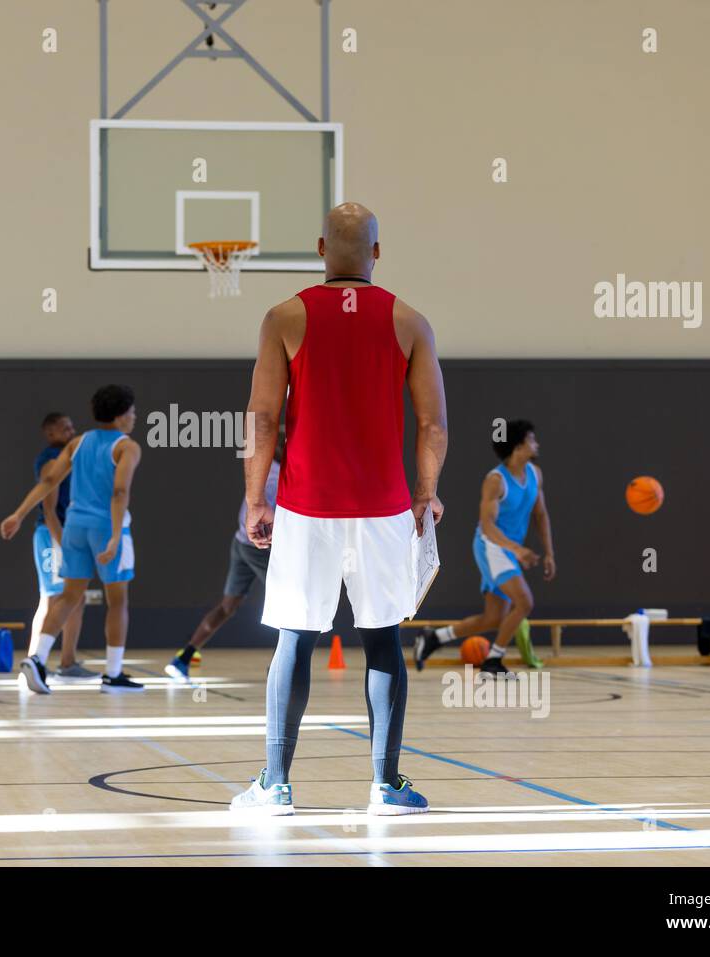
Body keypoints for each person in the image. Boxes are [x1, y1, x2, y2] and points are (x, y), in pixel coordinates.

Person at [231, 202, 447, 816]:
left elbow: (262, 417)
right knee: (383, 641)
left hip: (306, 505)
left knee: (294, 640)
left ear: (321, 247)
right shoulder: (410, 321)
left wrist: (255, 498)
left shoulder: (283, 317)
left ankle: (275, 787)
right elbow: (433, 425)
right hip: (383, 509)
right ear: (377, 253)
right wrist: (426, 494)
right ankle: (386, 786)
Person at [0, 385, 143, 695]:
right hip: (106, 526)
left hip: (75, 526)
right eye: (132, 412)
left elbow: (49, 480)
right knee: (117, 600)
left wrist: (18, 514)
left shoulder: (79, 442)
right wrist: (117, 535)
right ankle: (113, 675)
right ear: (120, 416)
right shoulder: (126, 447)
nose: (134, 417)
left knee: (68, 595)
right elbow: (120, 493)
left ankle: (37, 659)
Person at [412, 420, 555, 675]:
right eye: (531, 439)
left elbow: (541, 514)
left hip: (509, 549)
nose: (537, 444)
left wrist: (549, 553)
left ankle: (434, 637)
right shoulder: (496, 481)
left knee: (493, 618)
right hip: (491, 546)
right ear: (518, 446)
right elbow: (488, 528)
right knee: (524, 602)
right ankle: (493, 661)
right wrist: (518, 550)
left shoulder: (535, 474)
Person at [166, 432, 285, 683]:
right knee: (287, 607)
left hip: (240, 542)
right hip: (258, 547)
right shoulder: (276, 479)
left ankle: (183, 658)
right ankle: (279, 670)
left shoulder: (260, 470)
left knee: (227, 607)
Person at [25, 412, 93, 682]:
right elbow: (48, 506)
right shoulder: (51, 461)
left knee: (77, 599)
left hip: (66, 535)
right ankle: (34, 661)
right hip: (52, 535)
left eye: (72, 426)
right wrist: (62, 543)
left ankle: (68, 662)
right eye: (65, 428)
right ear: (50, 433)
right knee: (52, 599)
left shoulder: (71, 460)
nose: (71, 431)